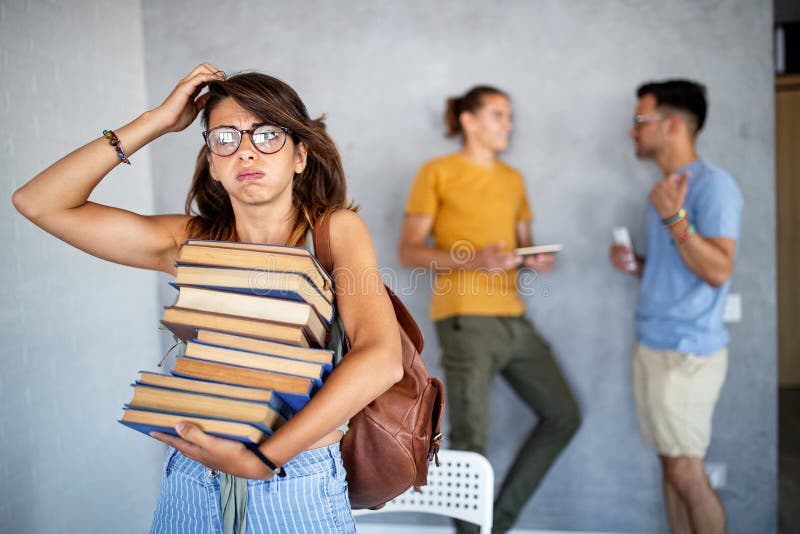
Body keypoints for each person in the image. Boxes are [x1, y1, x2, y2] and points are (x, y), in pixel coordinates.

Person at [12, 63, 402, 534]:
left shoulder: (334, 232)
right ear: (213, 165)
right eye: (225, 139)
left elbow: (381, 358)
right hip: (193, 475)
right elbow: (39, 202)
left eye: (267, 135)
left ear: (300, 155)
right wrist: (157, 120)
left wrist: (261, 457)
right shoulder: (189, 241)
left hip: (293, 475)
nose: (245, 151)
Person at [398, 86, 581, 534]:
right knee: (471, 440)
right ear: (469, 121)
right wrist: (473, 259)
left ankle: (494, 527)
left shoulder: (513, 179)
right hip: (464, 320)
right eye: (499, 115)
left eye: (509, 116)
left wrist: (535, 258)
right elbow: (409, 251)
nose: (508, 125)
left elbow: (523, 246)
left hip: (513, 319)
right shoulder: (436, 172)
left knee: (563, 415)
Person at [610, 79, 743, 534]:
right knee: (671, 468)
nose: (632, 131)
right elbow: (683, 266)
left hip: (688, 351)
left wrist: (674, 219)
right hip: (654, 343)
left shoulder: (714, 187)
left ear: (672, 126)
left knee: (686, 471)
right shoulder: (665, 190)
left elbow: (719, 270)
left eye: (639, 121)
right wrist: (639, 265)